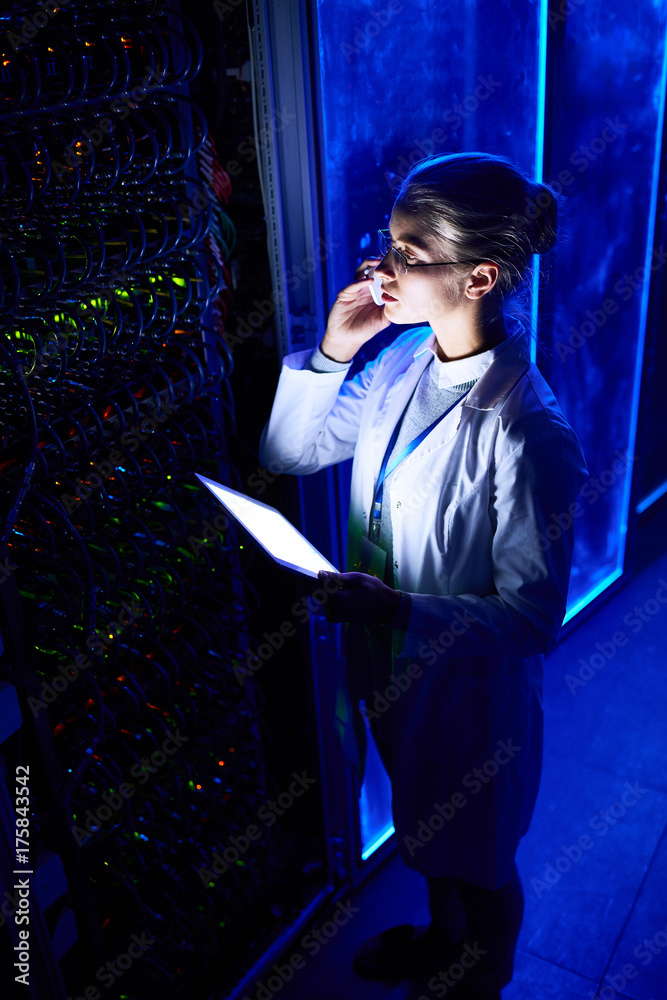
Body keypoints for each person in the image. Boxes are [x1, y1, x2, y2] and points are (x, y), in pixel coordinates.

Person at [258, 152, 589, 999]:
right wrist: (332, 352)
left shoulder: (529, 433)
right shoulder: (403, 360)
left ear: (479, 277)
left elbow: (531, 620)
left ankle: (481, 982)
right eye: (386, 242)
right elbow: (289, 452)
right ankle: (442, 941)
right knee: (428, 829)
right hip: (391, 668)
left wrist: (397, 607)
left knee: (480, 861)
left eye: (407, 254)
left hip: (467, 702)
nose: (380, 267)